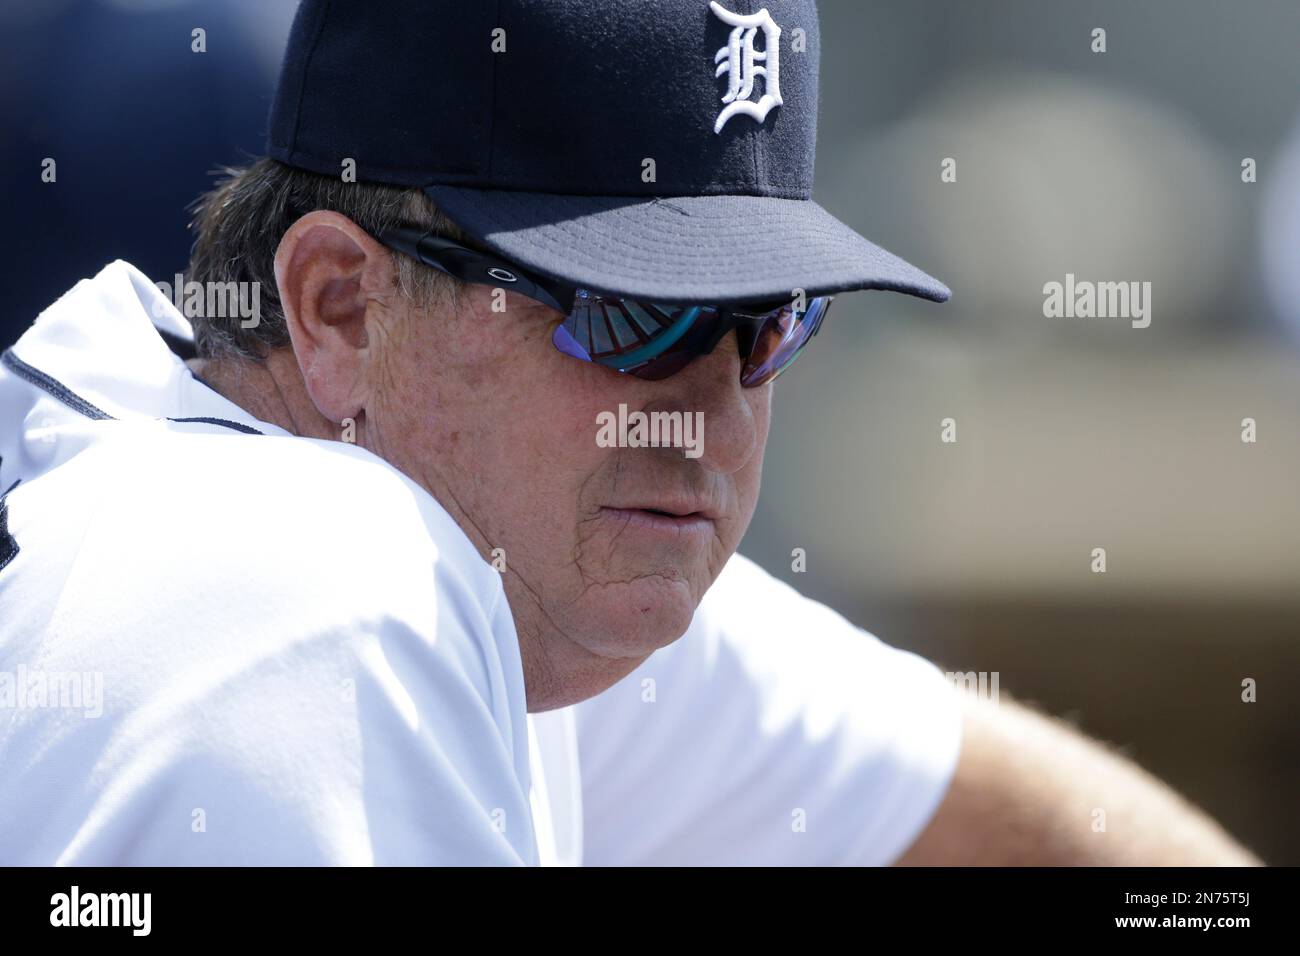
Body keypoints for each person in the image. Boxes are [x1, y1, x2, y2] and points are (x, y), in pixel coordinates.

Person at [0, 0, 1258, 865]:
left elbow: (1013, 824)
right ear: (341, 305)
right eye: (630, 315)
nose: (707, 406)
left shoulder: (501, 553)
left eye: (764, 324)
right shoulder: (315, 579)